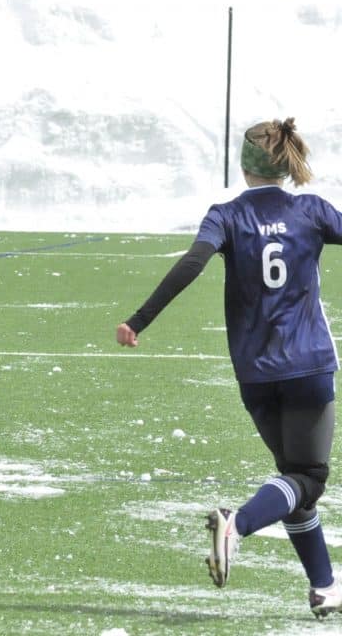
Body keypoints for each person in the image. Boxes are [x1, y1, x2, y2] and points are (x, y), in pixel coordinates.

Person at [116, 118, 342, 617]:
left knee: (292, 483)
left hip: (255, 373)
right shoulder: (313, 210)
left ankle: (325, 587)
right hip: (307, 366)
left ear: (244, 167)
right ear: (288, 164)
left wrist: (139, 320)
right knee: (308, 476)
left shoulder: (227, 215)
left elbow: (191, 264)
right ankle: (236, 524)